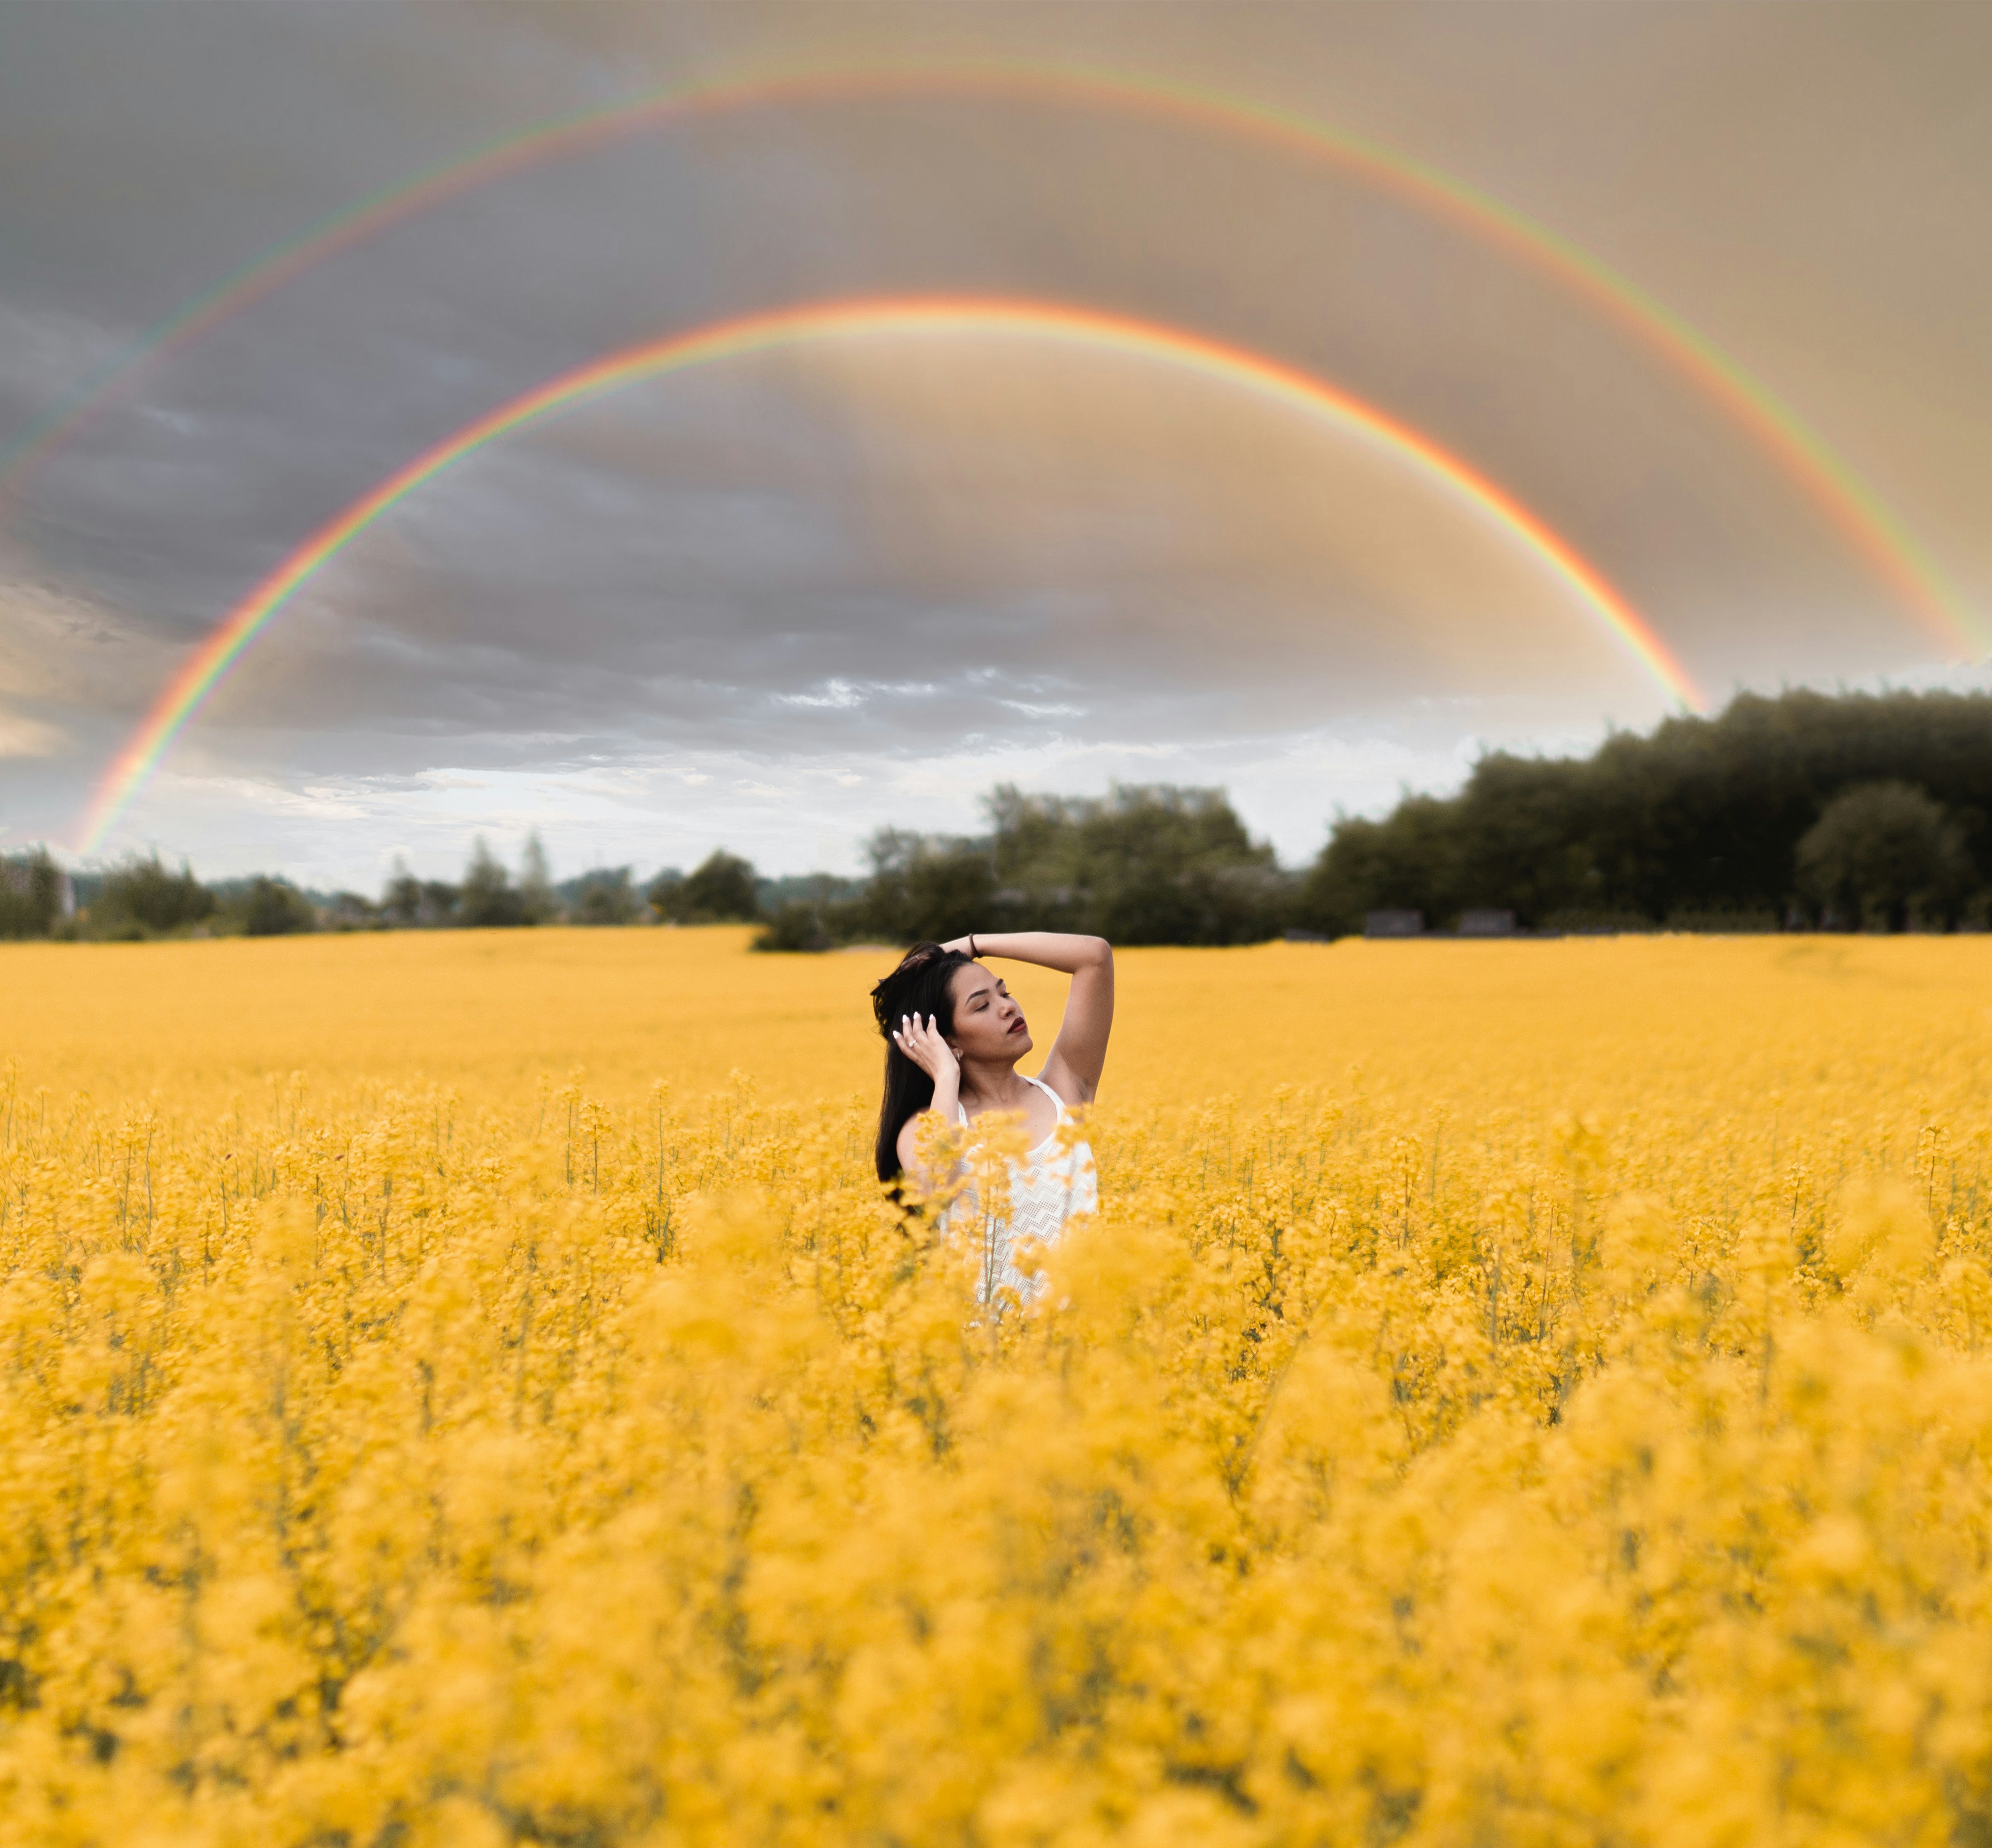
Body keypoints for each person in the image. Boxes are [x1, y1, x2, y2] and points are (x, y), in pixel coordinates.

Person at [870, 932, 1114, 1304]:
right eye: (981, 1006)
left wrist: (972, 944)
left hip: (1083, 1350)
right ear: (947, 1041)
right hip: (988, 1354)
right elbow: (937, 1188)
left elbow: (1093, 957)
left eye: (1004, 992)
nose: (1007, 1007)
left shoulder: (1065, 1092)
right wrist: (946, 1076)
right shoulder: (924, 1126)